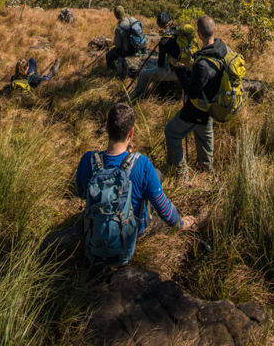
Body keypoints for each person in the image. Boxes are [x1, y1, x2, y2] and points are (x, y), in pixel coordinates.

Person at [76, 101, 196, 265]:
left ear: (107, 129)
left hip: (94, 236)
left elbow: (81, 193)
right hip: (129, 236)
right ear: (131, 132)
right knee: (157, 175)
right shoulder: (142, 164)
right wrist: (180, 224)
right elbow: (162, 205)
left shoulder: (88, 160)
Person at [164, 15, 226, 180]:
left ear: (198, 34)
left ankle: (180, 174)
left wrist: (181, 72)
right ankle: (206, 171)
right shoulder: (223, 50)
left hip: (197, 107)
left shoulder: (202, 63)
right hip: (212, 104)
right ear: (215, 30)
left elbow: (192, 92)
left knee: (171, 132)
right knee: (204, 135)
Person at [130, 10, 194, 100]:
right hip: (191, 67)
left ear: (159, 24)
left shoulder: (164, 41)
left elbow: (160, 64)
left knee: (144, 74)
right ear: (170, 21)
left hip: (178, 71)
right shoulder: (180, 32)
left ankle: (137, 96)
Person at [106, 5, 146, 76]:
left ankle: (113, 72)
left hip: (128, 51)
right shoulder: (133, 19)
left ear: (116, 16)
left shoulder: (119, 28)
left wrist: (115, 42)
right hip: (140, 47)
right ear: (124, 12)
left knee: (108, 56)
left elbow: (118, 45)